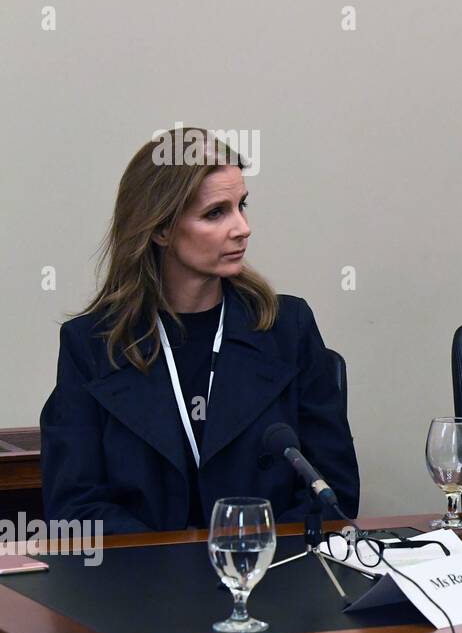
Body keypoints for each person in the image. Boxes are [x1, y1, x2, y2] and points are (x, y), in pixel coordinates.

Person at [40, 127, 360, 534]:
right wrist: (175, 567)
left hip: (271, 576)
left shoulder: (287, 326)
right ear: (161, 229)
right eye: (216, 213)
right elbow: (73, 508)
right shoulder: (91, 343)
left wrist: (247, 555)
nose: (243, 228)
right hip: (141, 589)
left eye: (242, 205)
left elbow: (334, 492)